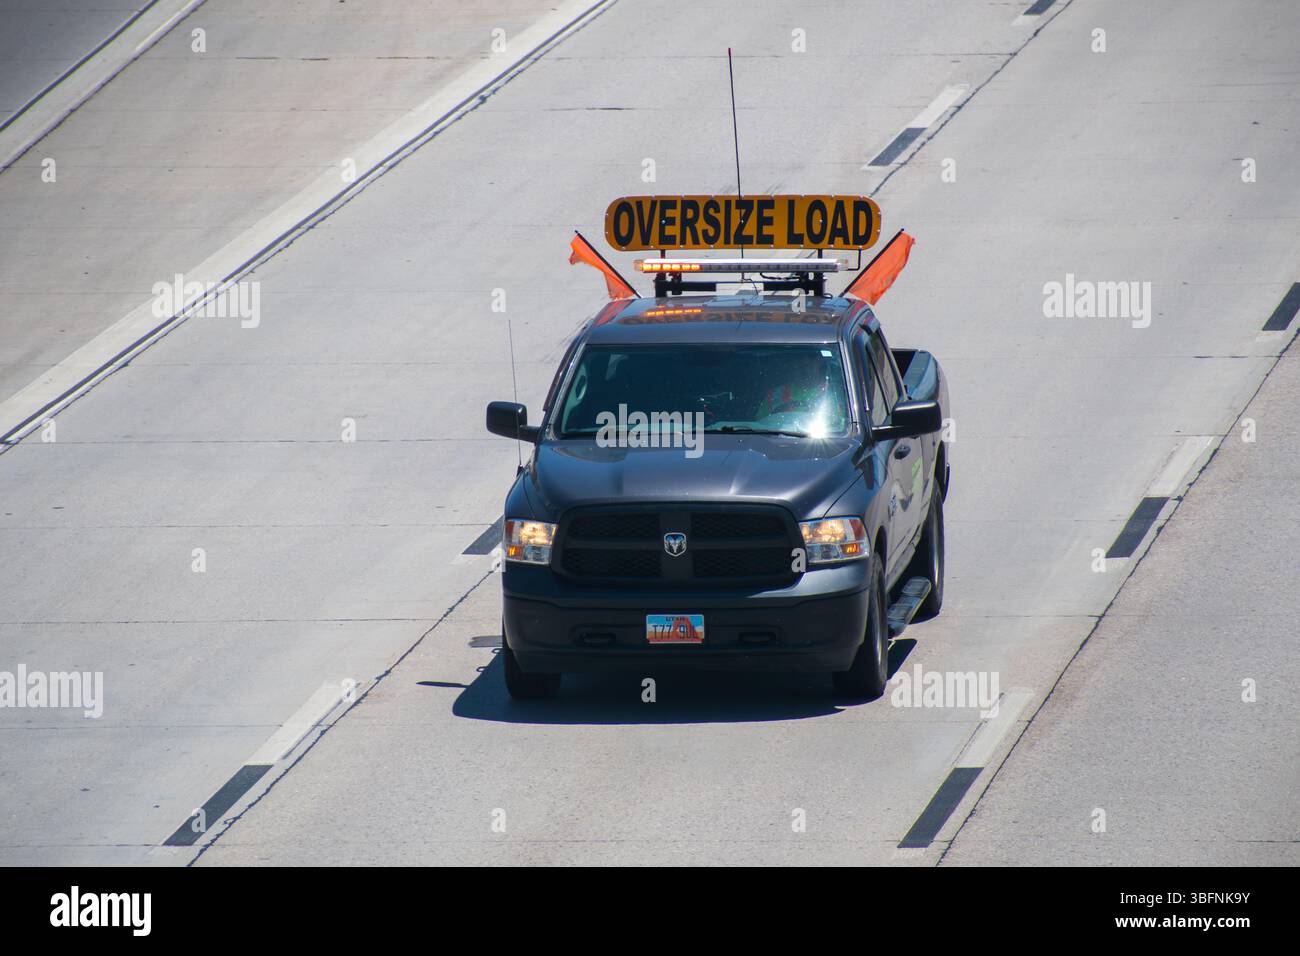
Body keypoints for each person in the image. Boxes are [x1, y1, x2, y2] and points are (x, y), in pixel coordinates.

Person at [755, 351, 828, 419]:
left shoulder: (831, 395)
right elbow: (760, 426)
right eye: (799, 356)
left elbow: (837, 425)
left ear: (820, 361)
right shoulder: (773, 396)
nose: (805, 360)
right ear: (792, 363)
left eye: (811, 355)